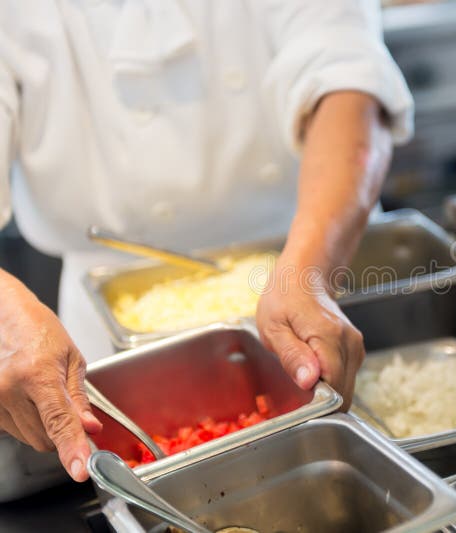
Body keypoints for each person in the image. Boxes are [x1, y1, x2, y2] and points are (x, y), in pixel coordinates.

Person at [0, 1, 413, 484]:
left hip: (306, 264)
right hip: (105, 340)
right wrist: (6, 316)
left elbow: (350, 81)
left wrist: (310, 273)